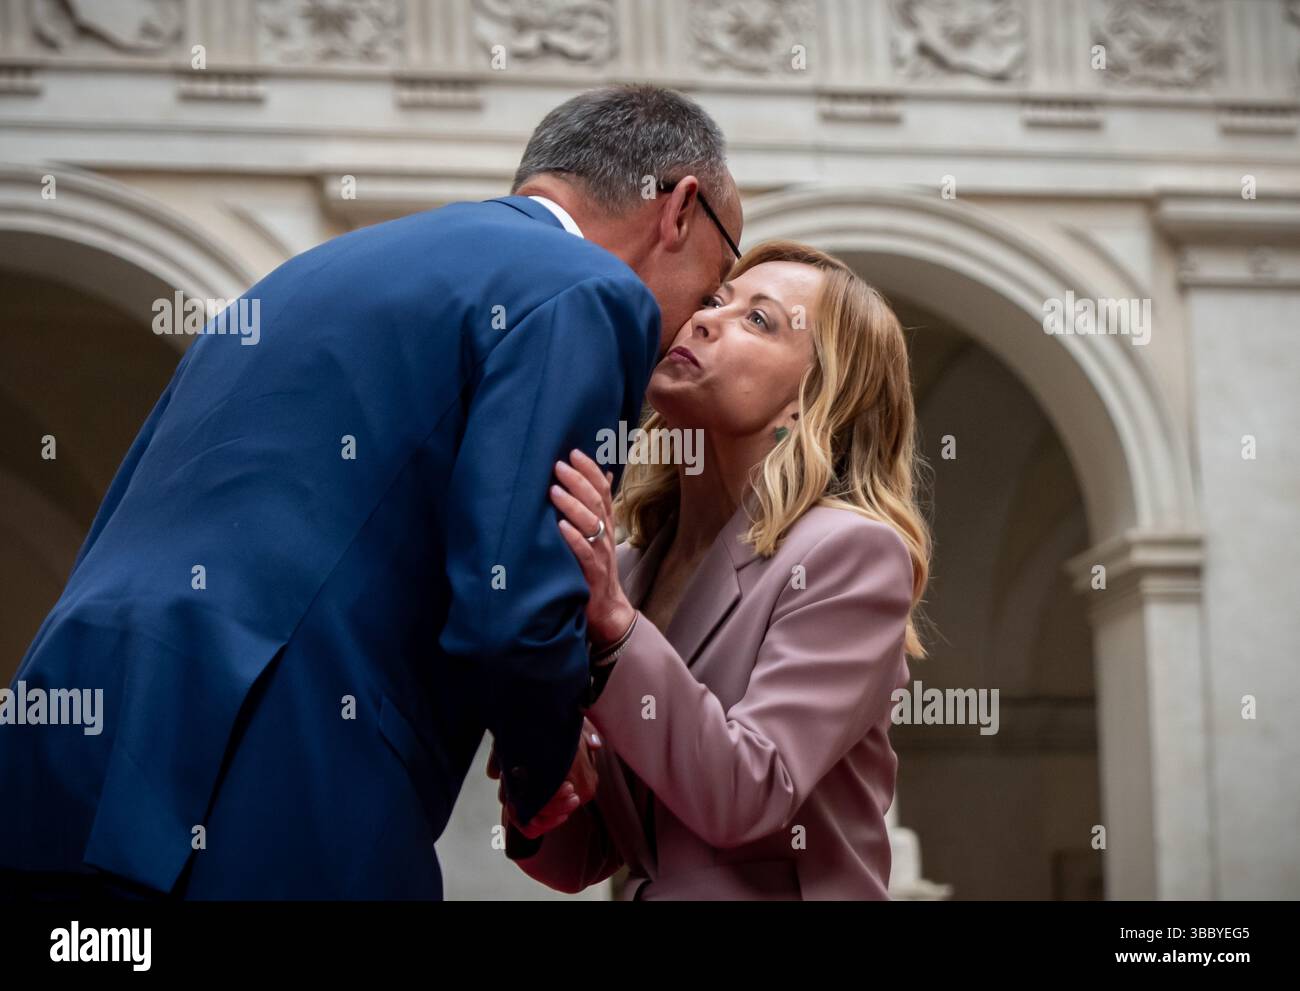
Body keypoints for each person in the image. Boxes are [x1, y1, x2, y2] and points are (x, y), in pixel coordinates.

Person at [0, 84, 742, 899]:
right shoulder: (585, 289)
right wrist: (545, 754)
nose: (702, 314)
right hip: (275, 762)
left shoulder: (302, 276)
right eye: (720, 277)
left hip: (72, 731)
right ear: (678, 207)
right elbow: (509, 601)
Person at [499, 240, 932, 899]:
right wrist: (543, 783)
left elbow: (748, 793)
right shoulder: (628, 568)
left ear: (811, 399)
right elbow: (585, 857)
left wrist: (613, 625)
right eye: (713, 301)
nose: (704, 320)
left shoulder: (849, 551)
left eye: (759, 320)